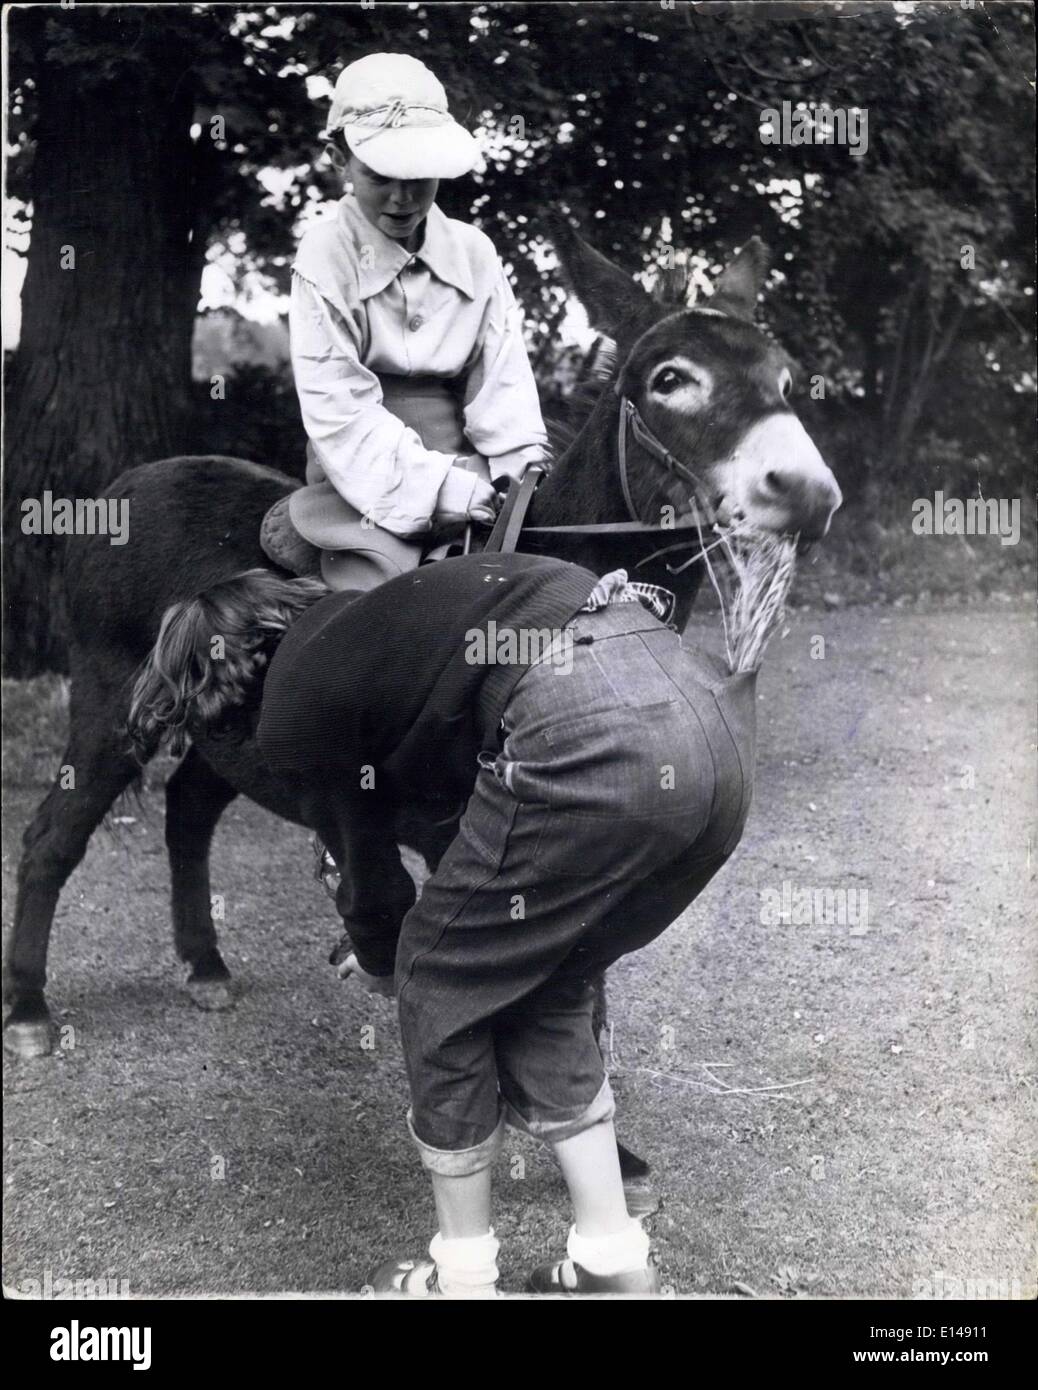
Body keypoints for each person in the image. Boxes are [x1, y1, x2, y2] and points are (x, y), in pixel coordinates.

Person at [257, 552, 757, 1296]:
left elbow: (369, 876)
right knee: (550, 971)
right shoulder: (400, 615)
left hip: (590, 720)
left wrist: (380, 957)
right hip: (716, 724)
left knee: (437, 970)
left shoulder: (293, 696)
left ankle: (461, 1277)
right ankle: (612, 1260)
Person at [262, 52, 548, 593]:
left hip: (478, 470)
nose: (403, 197)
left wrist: (519, 476)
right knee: (392, 603)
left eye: (420, 177)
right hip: (363, 477)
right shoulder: (326, 254)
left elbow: (503, 382)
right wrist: (443, 488)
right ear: (338, 160)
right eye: (380, 176)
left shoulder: (474, 252)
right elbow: (339, 410)